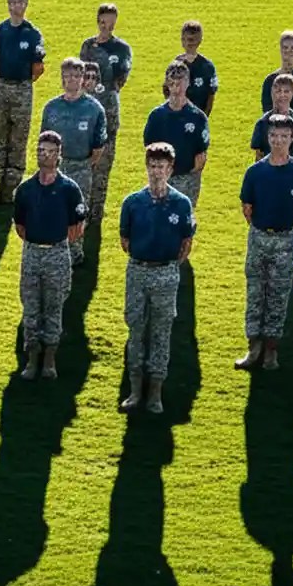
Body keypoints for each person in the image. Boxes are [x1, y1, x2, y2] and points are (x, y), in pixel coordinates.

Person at [118, 143, 196, 414]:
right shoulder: (133, 203)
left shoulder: (181, 203)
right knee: (136, 329)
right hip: (138, 270)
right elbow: (125, 240)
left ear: (170, 169)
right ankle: (135, 390)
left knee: (161, 332)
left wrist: (168, 264)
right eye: (152, 166)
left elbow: (186, 242)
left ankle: (155, 394)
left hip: (166, 272)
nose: (156, 172)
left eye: (161, 167)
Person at [235, 115, 293, 371]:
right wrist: (263, 229)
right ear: (268, 138)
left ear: (292, 139)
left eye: (283, 137)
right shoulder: (255, 172)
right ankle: (253, 347)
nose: (278, 141)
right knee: (255, 294)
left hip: (285, 240)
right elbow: (248, 208)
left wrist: (283, 231)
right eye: (274, 136)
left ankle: (271, 351)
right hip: (258, 237)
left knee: (279, 296)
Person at [14, 131, 88, 380]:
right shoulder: (25, 189)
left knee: (54, 307)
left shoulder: (69, 189)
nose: (44, 155)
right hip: (32, 253)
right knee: (31, 307)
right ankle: (32, 359)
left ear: (59, 155)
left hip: (57, 253)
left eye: (49, 151)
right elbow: (20, 227)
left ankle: (49, 360)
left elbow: (76, 228)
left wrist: (54, 241)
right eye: (40, 150)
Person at [39, 57, 107, 265]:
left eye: (76, 76)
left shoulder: (94, 109)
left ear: (83, 79)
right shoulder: (51, 108)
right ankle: (52, 247)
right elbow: (43, 141)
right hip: (55, 166)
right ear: (62, 79)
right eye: (67, 76)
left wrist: (84, 164)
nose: (72, 80)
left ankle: (74, 252)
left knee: (77, 208)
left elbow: (98, 147)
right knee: (52, 205)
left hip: (81, 166)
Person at [0, 0, 46, 206]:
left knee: (18, 138)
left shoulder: (32, 34)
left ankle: (11, 190)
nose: (16, 7)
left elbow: (38, 67)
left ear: (26, 4)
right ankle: (0, 187)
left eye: (20, 2)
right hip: (1, 86)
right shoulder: (1, 29)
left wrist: (24, 83)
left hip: (22, 88)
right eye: (12, 3)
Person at [80, 3, 132, 218]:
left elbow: (120, 80)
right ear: (97, 21)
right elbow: (81, 77)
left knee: (104, 161)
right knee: (83, 158)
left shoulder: (121, 48)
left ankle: (96, 211)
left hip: (108, 109)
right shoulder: (87, 46)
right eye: (103, 22)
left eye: (111, 23)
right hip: (85, 110)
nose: (106, 27)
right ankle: (80, 206)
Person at [142, 60, 209, 207]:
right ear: (167, 84)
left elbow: (200, 157)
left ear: (188, 82)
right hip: (161, 178)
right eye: (172, 82)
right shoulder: (157, 116)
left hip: (186, 179)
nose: (176, 87)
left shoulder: (197, 117)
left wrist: (185, 180)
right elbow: (150, 151)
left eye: (180, 82)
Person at [249, 74, 293, 163]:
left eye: (286, 91)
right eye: (278, 91)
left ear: (292, 93)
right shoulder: (262, 123)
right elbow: (259, 156)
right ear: (272, 93)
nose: (282, 95)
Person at [176, 20, 217, 116]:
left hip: (199, 116)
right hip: (178, 117)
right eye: (186, 39)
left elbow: (211, 95)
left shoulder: (207, 67)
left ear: (199, 41)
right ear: (182, 40)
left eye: (192, 40)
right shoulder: (177, 64)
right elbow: (167, 90)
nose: (189, 43)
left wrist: (204, 118)